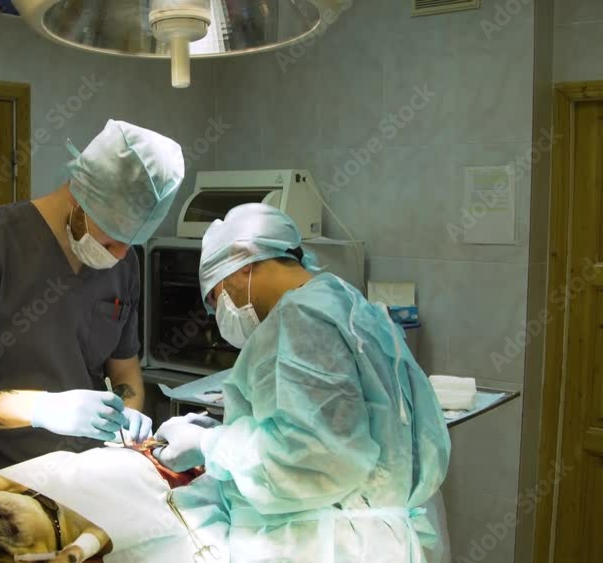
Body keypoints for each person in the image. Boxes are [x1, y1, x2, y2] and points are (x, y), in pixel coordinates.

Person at [152, 203, 452, 562]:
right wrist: (234, 430)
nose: (218, 314)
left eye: (215, 297)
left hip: (328, 545)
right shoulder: (350, 305)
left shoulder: (300, 320)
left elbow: (317, 460)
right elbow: (333, 429)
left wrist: (211, 443)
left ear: (241, 266)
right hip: (377, 538)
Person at [0, 119, 185, 485]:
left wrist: (127, 415)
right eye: (109, 239)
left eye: (129, 243)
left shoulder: (124, 264)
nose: (119, 256)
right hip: (3, 487)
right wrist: (42, 408)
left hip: (92, 480)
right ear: (79, 197)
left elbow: (125, 372)